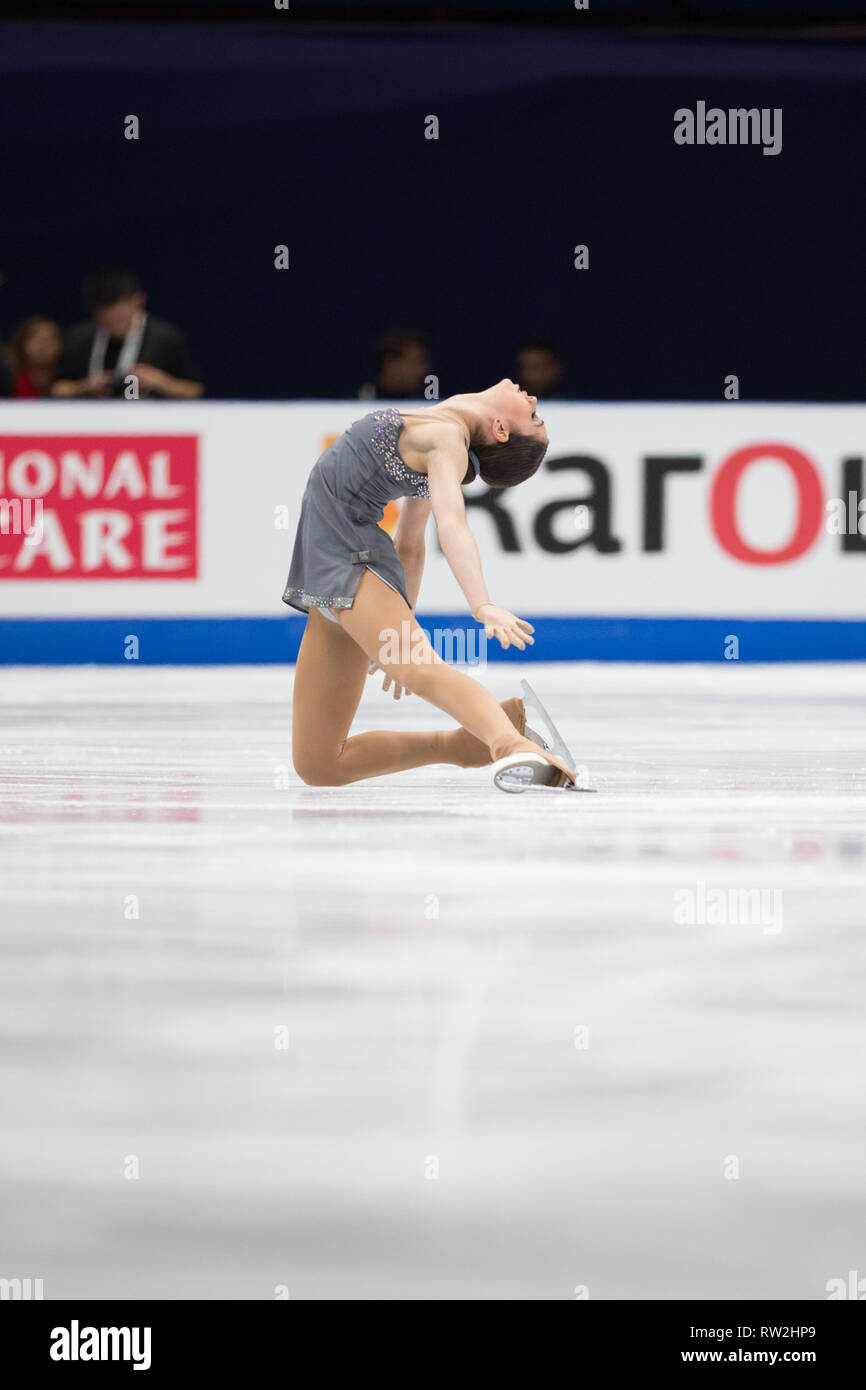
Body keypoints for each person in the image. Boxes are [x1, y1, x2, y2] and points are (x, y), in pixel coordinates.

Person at [284, 378, 577, 791]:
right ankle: (463, 745)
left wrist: (482, 604)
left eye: (533, 415)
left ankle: (510, 745)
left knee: (417, 669)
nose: (531, 398)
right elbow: (408, 546)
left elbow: (452, 525)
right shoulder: (439, 427)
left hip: (351, 559)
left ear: (502, 430)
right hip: (328, 572)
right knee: (319, 764)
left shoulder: (444, 441)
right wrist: (400, 619)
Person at [51, 269, 203, 399]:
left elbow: (194, 390)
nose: (116, 328)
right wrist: (85, 386)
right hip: (92, 423)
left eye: (122, 319)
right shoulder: (80, 338)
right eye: (107, 323)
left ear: (138, 302)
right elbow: (56, 389)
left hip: (148, 424)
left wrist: (160, 382)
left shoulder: (166, 338)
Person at [359, 329, 431, 400]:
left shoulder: (424, 404)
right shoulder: (359, 403)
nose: (423, 370)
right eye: (416, 363)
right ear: (391, 365)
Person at [7, 316, 63, 398]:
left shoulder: (68, 381)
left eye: (50, 339)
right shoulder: (9, 381)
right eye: (36, 339)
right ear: (22, 344)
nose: (43, 345)